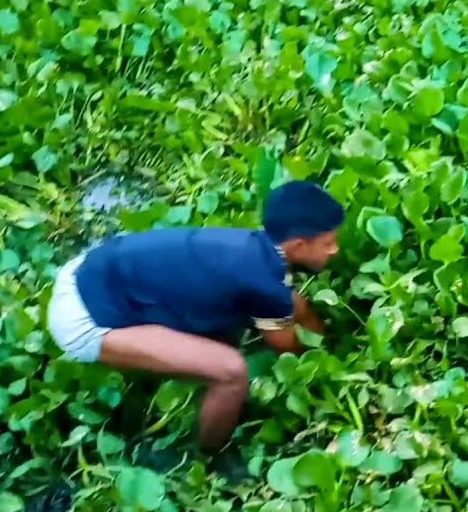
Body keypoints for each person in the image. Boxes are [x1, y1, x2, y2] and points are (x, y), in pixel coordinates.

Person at [45, 180, 344, 467]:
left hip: (86, 269)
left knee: (243, 322)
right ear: (298, 246)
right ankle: (209, 457)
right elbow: (287, 347)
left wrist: (323, 338)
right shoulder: (265, 285)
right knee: (231, 372)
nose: (335, 251)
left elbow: (290, 305)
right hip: (82, 318)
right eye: (328, 243)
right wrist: (321, 368)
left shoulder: (251, 245)